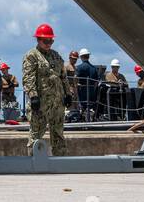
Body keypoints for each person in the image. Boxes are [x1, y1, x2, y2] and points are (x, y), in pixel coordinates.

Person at [22, 23, 72, 156]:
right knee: (36, 134)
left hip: (57, 102)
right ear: (38, 40)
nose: (49, 43)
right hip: (41, 103)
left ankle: (60, 160)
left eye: (51, 41)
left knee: (58, 134)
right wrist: (33, 96)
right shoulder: (32, 56)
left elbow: (63, 76)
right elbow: (28, 77)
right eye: (46, 41)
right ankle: (33, 162)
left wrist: (68, 93)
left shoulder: (56, 56)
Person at [75, 48, 97, 120]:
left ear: (81, 57)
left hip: (82, 92)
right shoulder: (94, 68)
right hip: (92, 93)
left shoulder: (79, 67)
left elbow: (75, 78)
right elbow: (96, 82)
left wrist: (76, 85)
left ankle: (82, 119)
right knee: (90, 107)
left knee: (83, 107)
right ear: (88, 56)